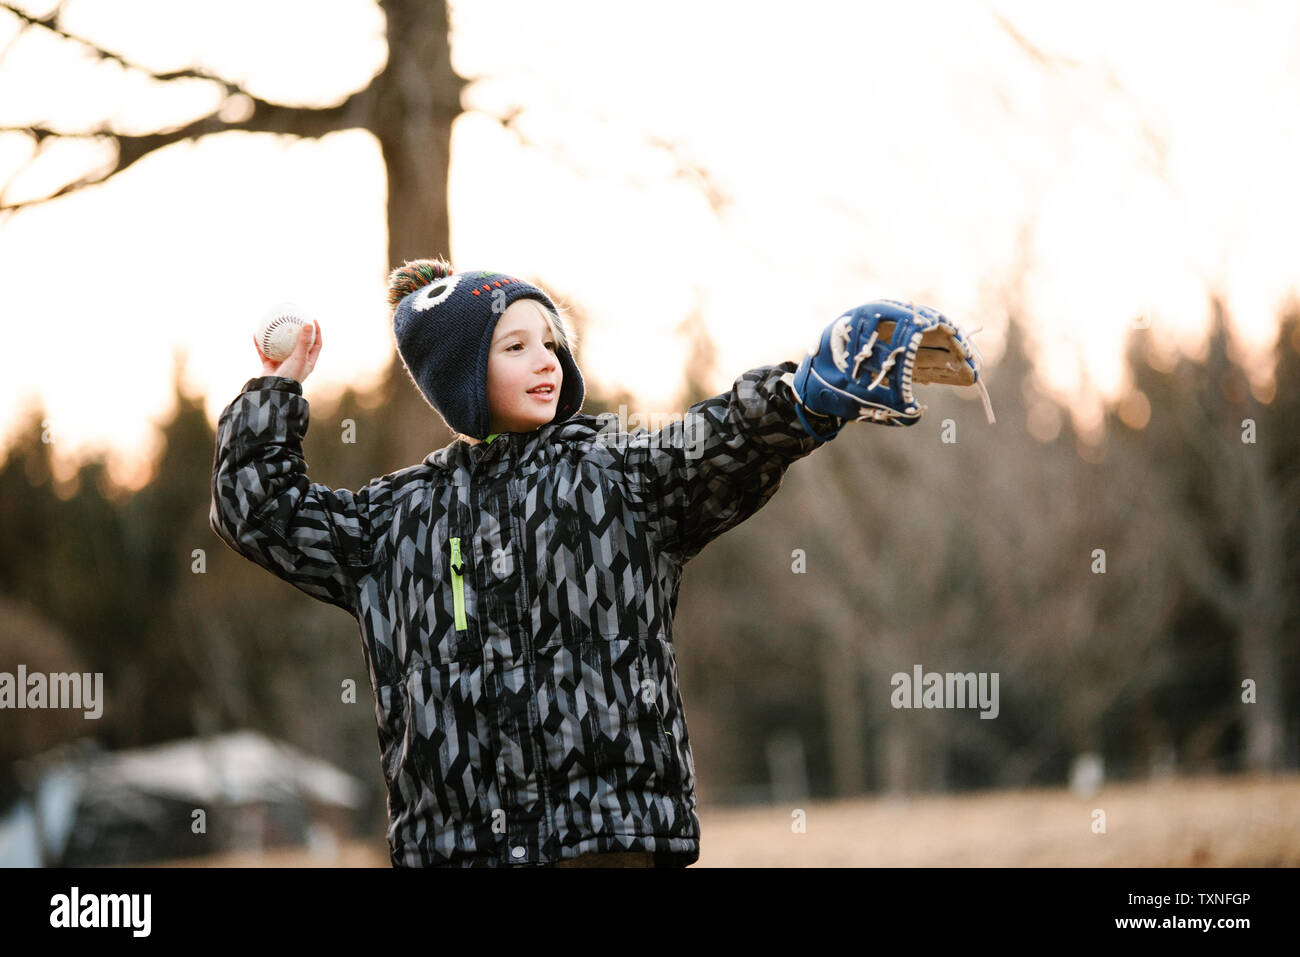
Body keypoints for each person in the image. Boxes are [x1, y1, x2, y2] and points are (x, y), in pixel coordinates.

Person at [209, 258, 858, 867]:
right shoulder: (392, 520)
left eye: (550, 342)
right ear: (459, 372)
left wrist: (807, 395)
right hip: (457, 847)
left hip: (607, 841)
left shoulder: (618, 476)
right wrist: (276, 387)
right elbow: (261, 511)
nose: (546, 360)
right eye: (515, 346)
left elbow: (722, 444)